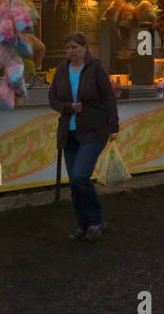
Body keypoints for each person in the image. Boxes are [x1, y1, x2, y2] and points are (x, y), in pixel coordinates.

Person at [48, 33, 119, 242]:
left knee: (80, 176)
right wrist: (68, 107)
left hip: (93, 131)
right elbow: (52, 97)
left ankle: (96, 221)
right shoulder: (62, 70)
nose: (71, 51)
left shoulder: (96, 68)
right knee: (75, 183)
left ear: (85, 48)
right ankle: (83, 224)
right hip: (69, 132)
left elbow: (109, 97)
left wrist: (113, 125)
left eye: (75, 47)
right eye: (68, 48)